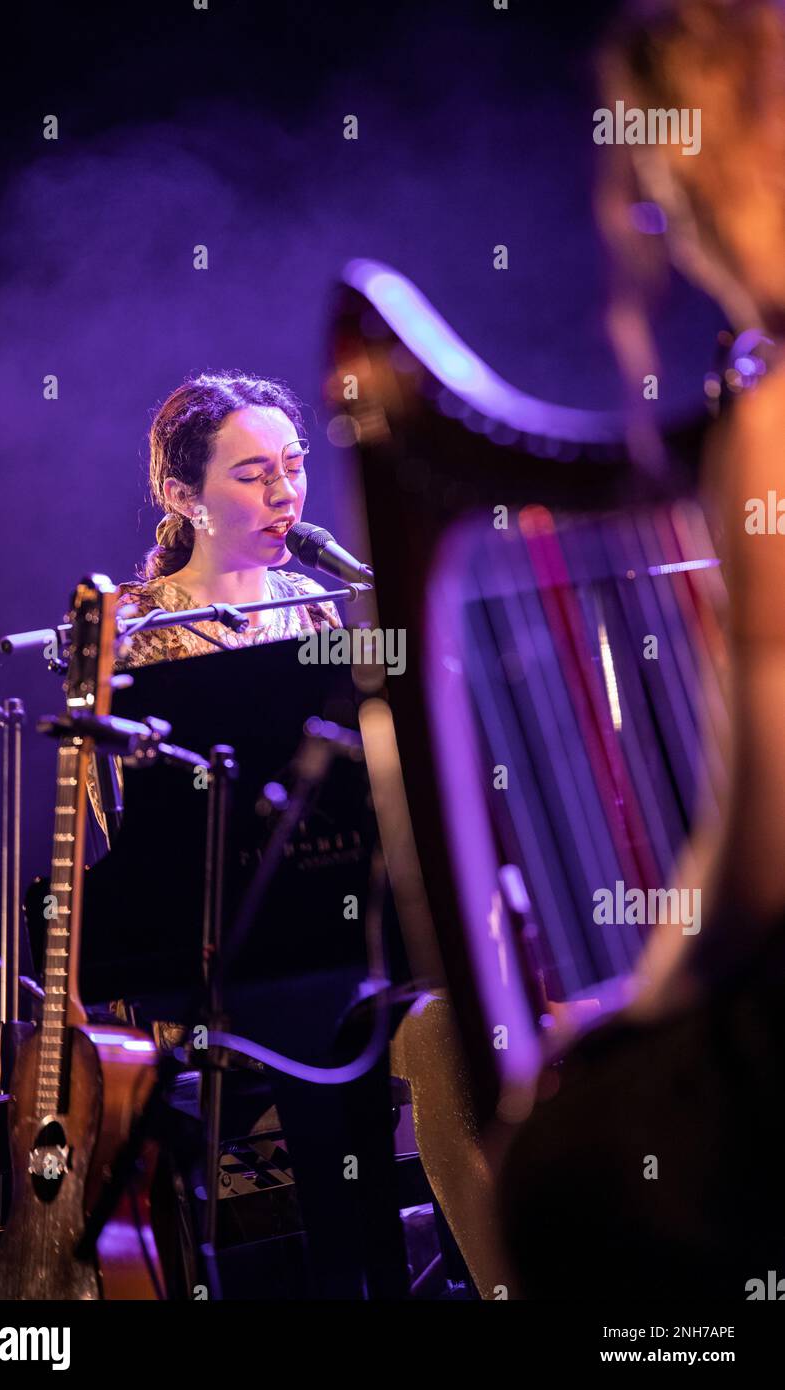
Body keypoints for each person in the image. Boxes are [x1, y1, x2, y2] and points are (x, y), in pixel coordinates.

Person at [490, 0, 785, 1298]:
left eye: (674, 186)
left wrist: (643, 994)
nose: (674, 231)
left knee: (564, 1158)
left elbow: (763, 868)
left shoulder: (773, 426)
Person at [86, 369, 343, 840]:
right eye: (252, 476)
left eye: (293, 466)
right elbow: (125, 816)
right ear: (183, 497)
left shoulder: (313, 605)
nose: (285, 493)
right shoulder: (133, 624)